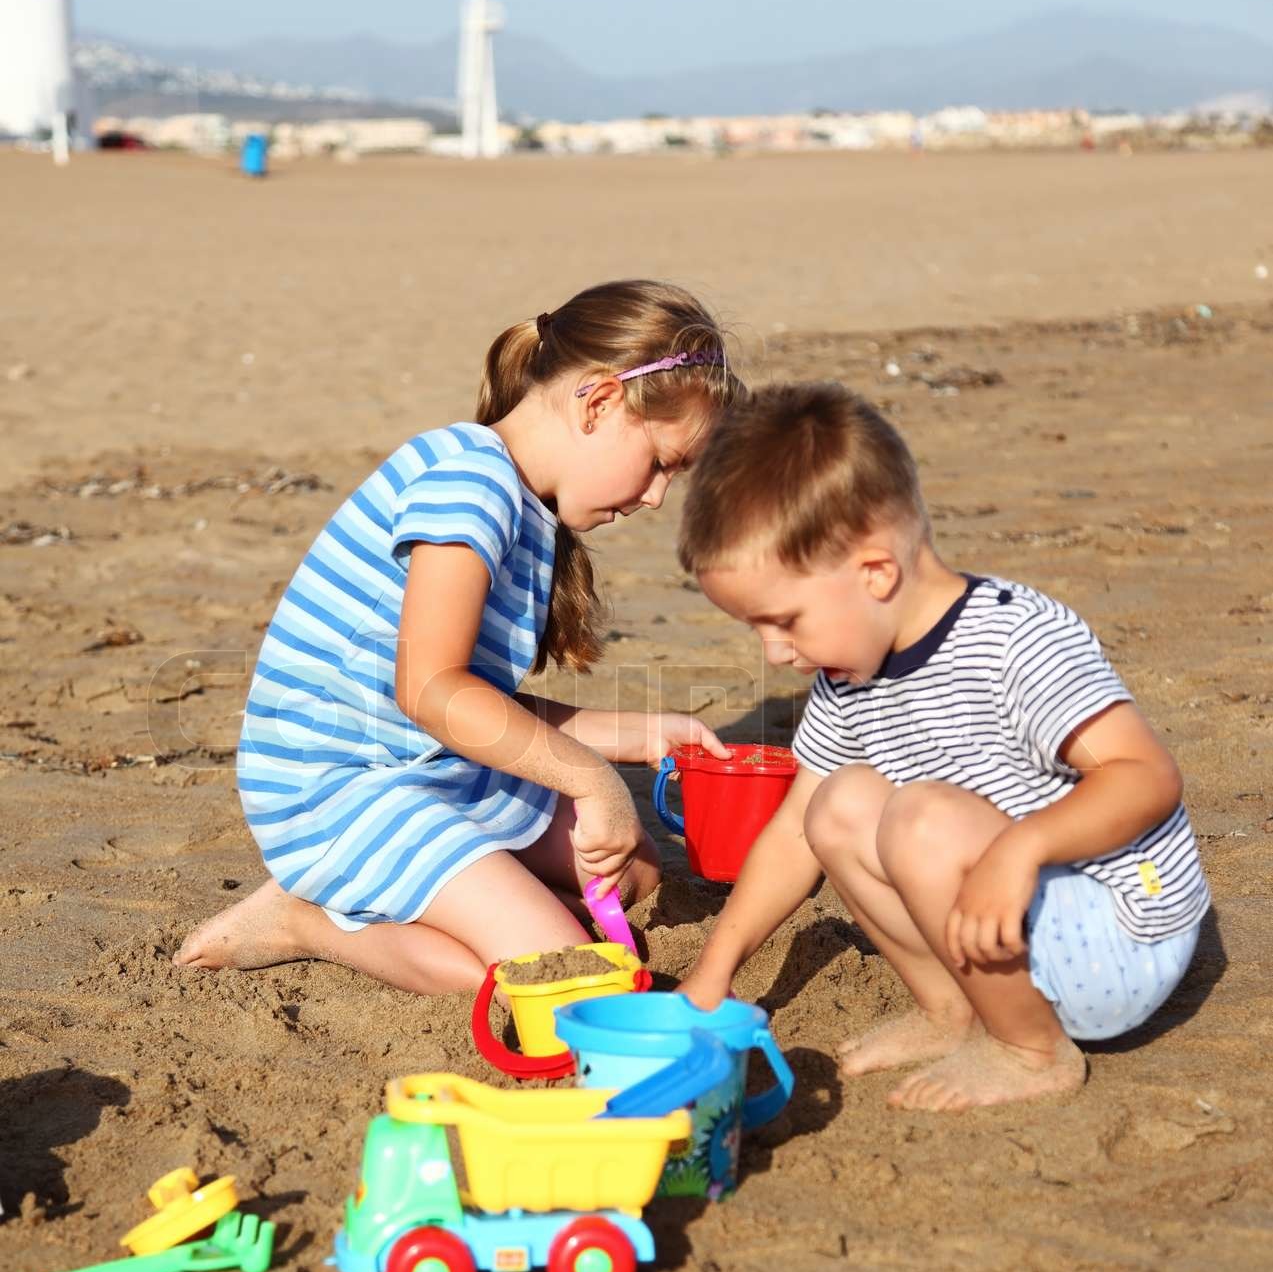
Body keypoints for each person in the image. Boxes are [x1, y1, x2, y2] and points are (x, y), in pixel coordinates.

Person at [175, 280, 741, 994]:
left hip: (427, 768)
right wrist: (592, 779)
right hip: (341, 791)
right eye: (661, 462)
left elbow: (476, 705)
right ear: (598, 402)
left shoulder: (530, 511)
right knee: (559, 972)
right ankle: (308, 920)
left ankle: (445, 899)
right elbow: (431, 691)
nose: (656, 495)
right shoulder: (468, 482)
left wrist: (639, 734)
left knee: (631, 874)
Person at [675, 383, 1208, 1111]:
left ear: (875, 572)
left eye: (785, 621)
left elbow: (1145, 777)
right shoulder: (847, 675)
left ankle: (1029, 1050)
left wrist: (1018, 851)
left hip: (1118, 932)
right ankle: (952, 1012)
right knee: (834, 804)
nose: (774, 653)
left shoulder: (1017, 640)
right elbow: (797, 832)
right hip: (1007, 928)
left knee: (919, 818)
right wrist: (715, 967)